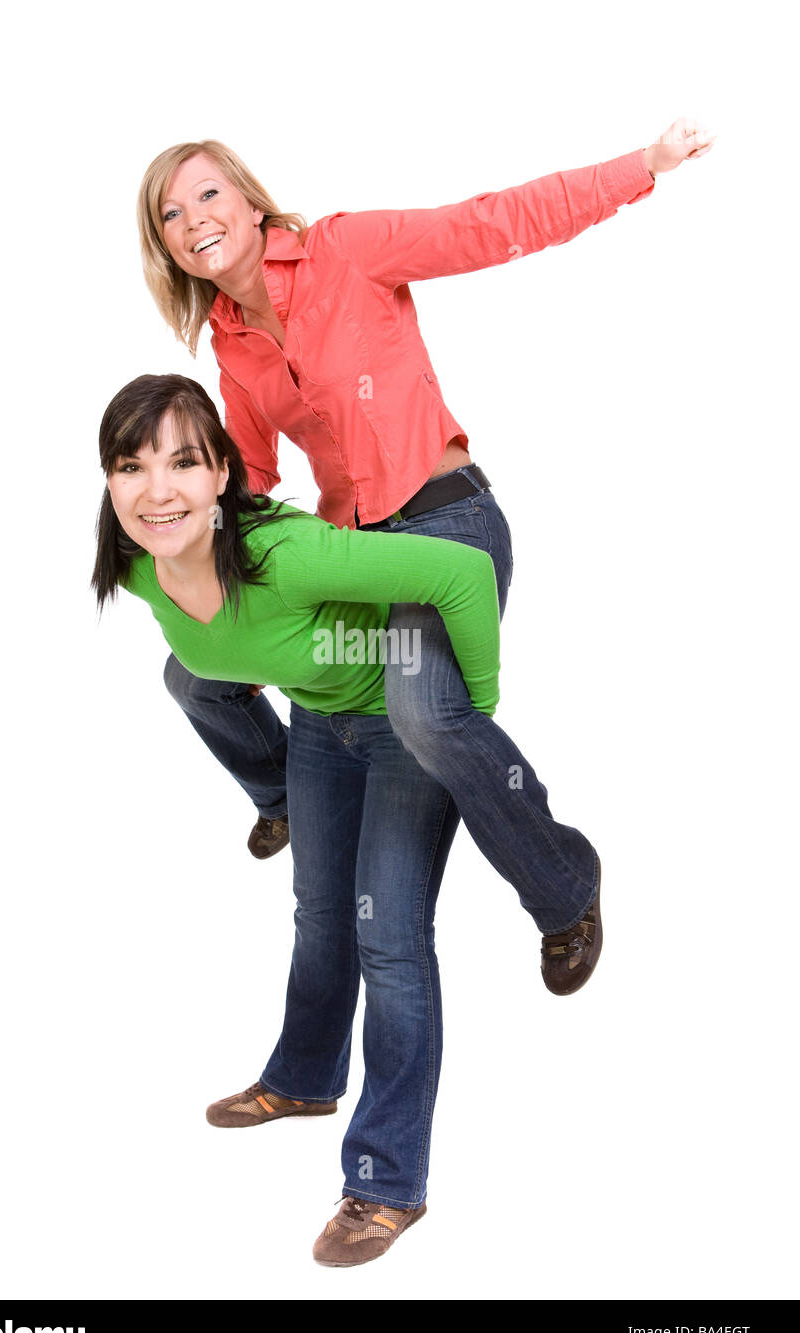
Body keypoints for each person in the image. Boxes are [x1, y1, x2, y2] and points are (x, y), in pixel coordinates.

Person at [135, 116, 714, 980]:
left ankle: (563, 881)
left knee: (422, 709)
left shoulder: (345, 250)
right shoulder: (233, 344)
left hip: (447, 528)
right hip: (356, 565)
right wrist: (193, 559)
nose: (193, 221)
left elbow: (487, 223)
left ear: (251, 204)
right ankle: (287, 796)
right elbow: (245, 482)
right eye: (170, 216)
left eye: (207, 195)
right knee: (193, 675)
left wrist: (645, 165)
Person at [94, 371, 583, 1264]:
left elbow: (463, 572)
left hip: (400, 723)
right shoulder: (138, 567)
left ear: (224, 477)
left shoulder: (291, 555)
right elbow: (219, 657)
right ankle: (304, 1079)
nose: (155, 489)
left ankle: (386, 1182)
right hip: (320, 719)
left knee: (389, 940)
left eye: (182, 463)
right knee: (321, 916)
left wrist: (459, 720)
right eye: (130, 466)